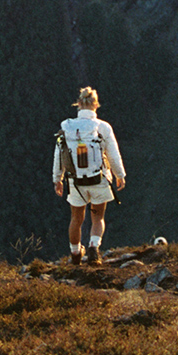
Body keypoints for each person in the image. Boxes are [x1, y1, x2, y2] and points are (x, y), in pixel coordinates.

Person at [53, 86, 126, 265]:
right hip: (98, 180)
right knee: (97, 217)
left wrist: (57, 179)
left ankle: (75, 253)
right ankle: (94, 248)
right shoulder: (103, 127)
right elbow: (113, 154)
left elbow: (59, 155)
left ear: (78, 104)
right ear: (96, 105)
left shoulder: (67, 127)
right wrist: (120, 175)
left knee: (76, 219)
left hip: (76, 182)